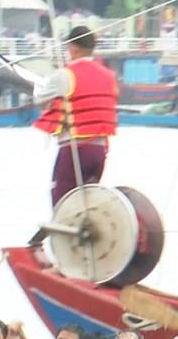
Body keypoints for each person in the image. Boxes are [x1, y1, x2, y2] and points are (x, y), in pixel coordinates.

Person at [33, 25, 119, 207]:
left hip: (75, 150)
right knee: (88, 205)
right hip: (99, 151)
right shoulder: (109, 76)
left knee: (63, 203)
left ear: (73, 48)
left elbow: (39, 99)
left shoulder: (65, 75)